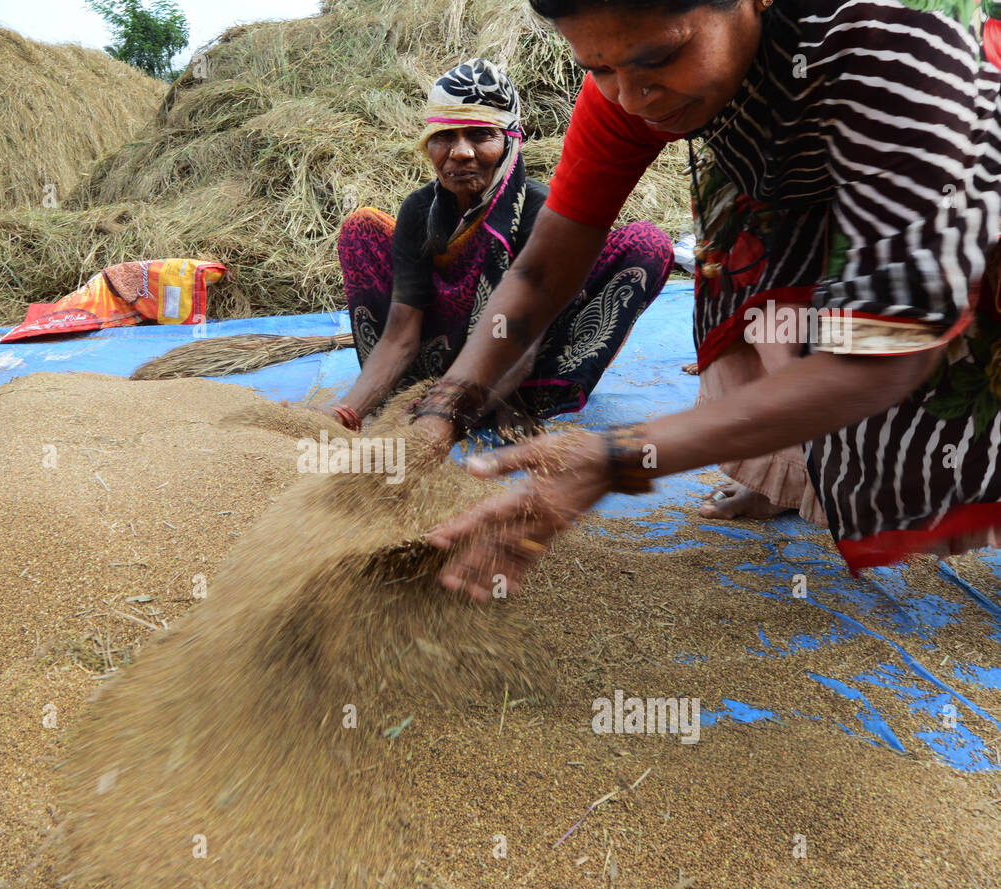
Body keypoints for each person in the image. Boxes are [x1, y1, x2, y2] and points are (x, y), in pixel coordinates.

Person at [413, 0, 1001, 599]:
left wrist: (618, 458)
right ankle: (790, 477)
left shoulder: (892, 49)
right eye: (599, 68)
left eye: (662, 58)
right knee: (749, 278)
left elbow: (887, 347)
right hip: (796, 176)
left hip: (963, 166)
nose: (632, 98)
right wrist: (443, 411)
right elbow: (542, 271)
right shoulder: (627, 75)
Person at [324, 58, 674, 435]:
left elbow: (523, 334)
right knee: (362, 226)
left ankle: (516, 399)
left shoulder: (541, 209)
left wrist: (453, 414)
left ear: (511, 141)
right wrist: (346, 411)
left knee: (647, 244)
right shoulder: (420, 209)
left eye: (480, 135)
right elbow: (400, 335)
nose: (460, 152)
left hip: (521, 354)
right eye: (444, 137)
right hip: (438, 353)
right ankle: (419, 391)